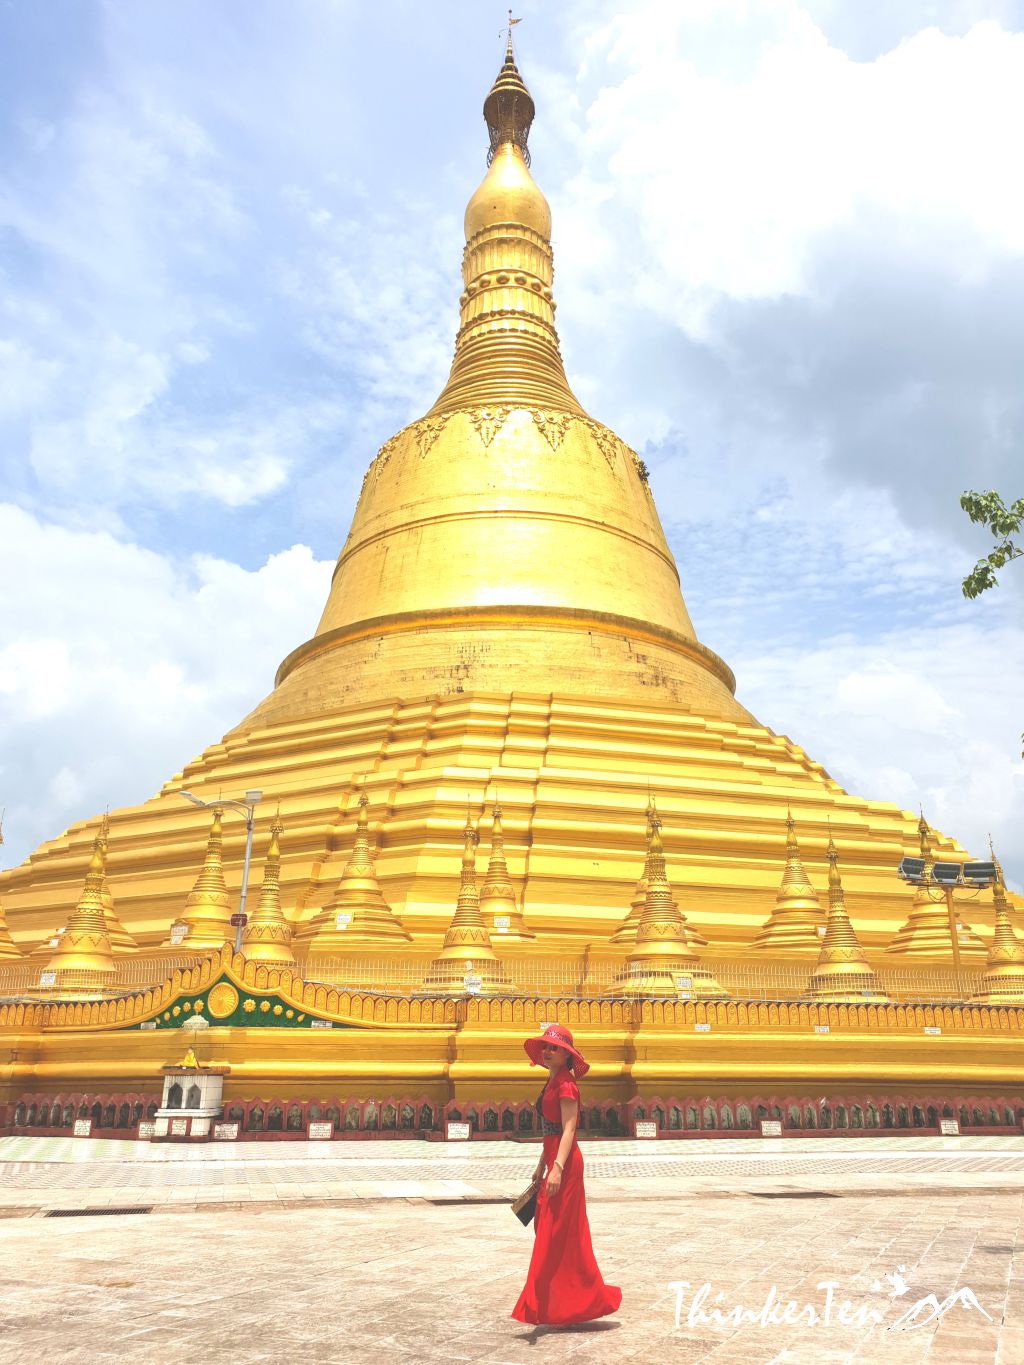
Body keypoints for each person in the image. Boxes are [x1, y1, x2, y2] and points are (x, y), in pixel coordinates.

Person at [511, 1023, 622, 1325]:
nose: (548, 1051)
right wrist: (542, 1166)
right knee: (550, 1231)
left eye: (555, 1048)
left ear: (567, 1055)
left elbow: (569, 1129)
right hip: (555, 1160)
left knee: (556, 1232)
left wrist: (557, 1168)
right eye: (546, 1046)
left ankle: (561, 1302)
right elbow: (551, 1130)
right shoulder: (551, 1082)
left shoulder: (566, 1085)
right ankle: (562, 1303)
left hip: (567, 1166)